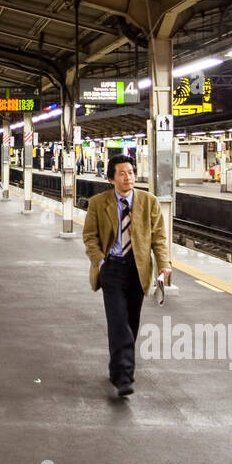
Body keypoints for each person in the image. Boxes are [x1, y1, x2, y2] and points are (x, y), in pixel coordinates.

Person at [82, 155, 172, 399]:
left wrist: (164, 264)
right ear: (111, 178)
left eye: (131, 172)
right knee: (119, 320)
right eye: (122, 173)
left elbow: (159, 238)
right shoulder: (98, 203)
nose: (128, 177)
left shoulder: (149, 202)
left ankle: (116, 368)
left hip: (138, 269)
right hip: (111, 268)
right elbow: (90, 236)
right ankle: (124, 377)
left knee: (131, 323)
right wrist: (100, 261)